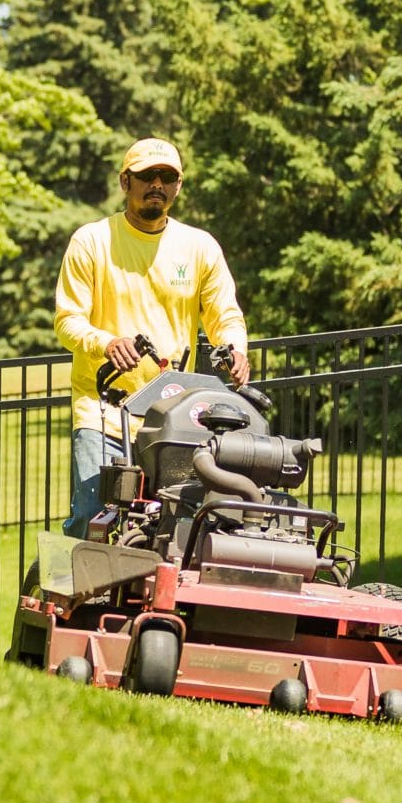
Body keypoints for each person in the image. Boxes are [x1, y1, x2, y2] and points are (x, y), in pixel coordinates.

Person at [54, 137, 248, 535]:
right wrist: (106, 342)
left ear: (178, 186)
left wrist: (236, 350)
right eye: (146, 176)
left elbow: (224, 315)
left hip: (173, 417)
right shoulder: (92, 241)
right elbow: (68, 321)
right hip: (104, 412)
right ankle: (75, 596)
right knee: (92, 520)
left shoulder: (199, 247)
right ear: (126, 182)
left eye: (167, 177)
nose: (156, 184)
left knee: (173, 526)